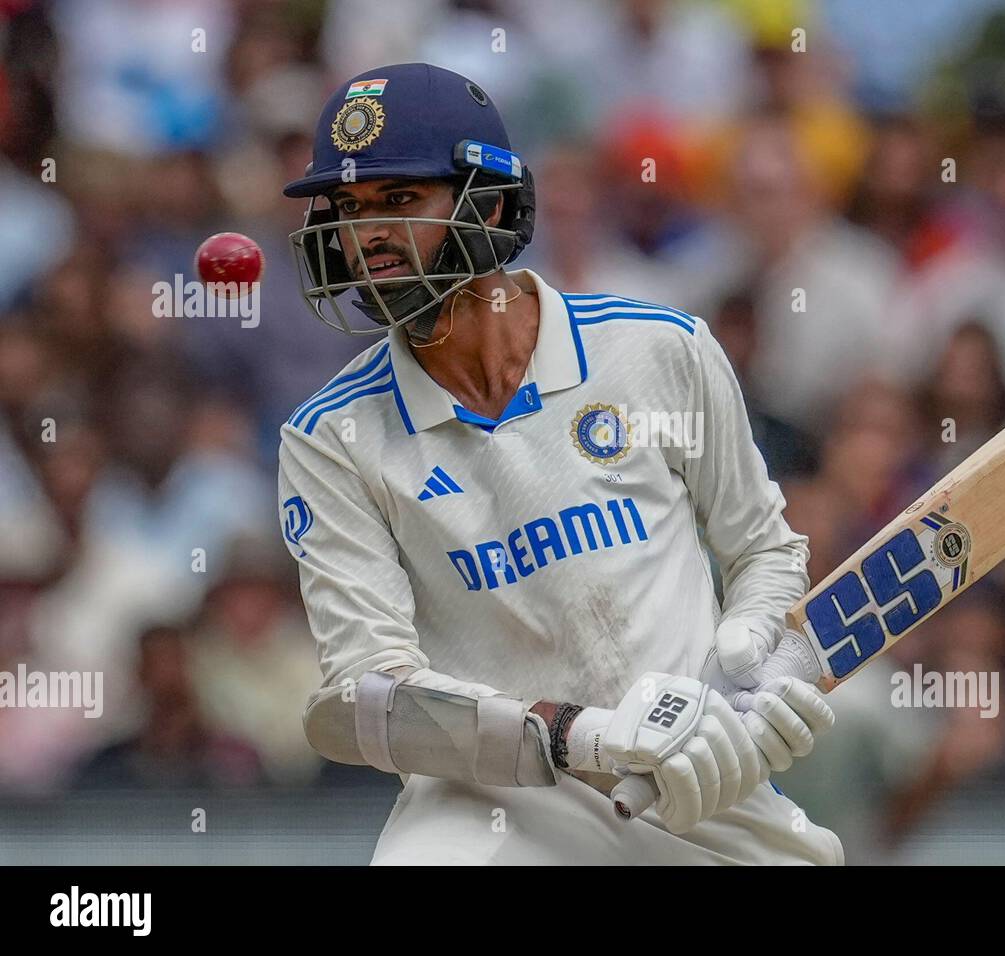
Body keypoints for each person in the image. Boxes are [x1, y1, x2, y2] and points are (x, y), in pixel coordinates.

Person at [276, 63, 840, 865]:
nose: (367, 237)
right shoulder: (331, 435)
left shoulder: (657, 349)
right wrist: (583, 736)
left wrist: (755, 658)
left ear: (492, 203)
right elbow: (366, 697)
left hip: (693, 787)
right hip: (489, 813)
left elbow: (762, 552)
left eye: (400, 202)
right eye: (350, 209)